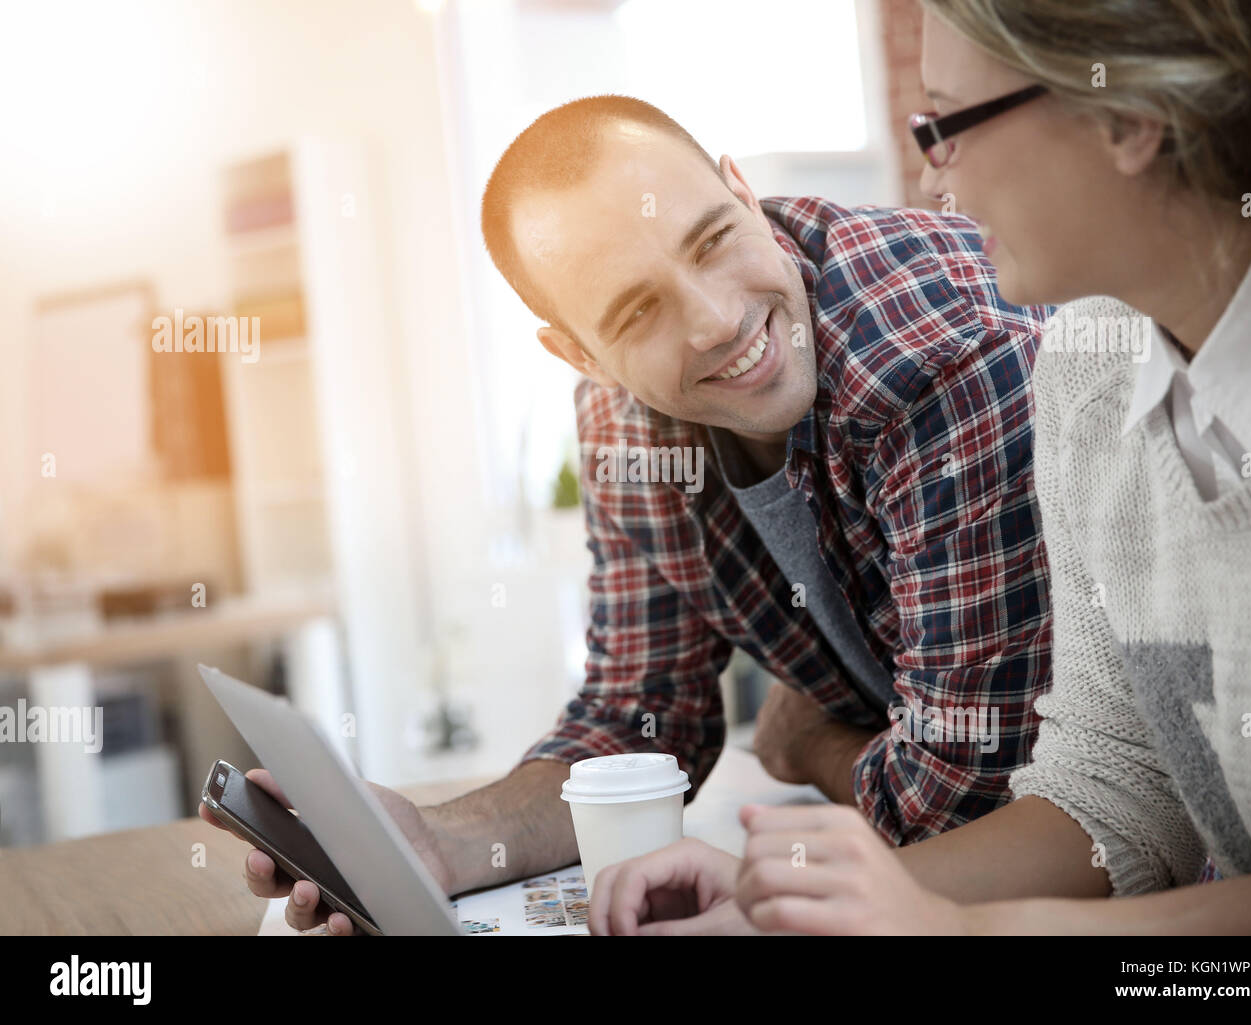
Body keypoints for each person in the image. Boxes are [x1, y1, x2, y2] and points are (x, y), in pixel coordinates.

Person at [202, 93, 1056, 934]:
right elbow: (642, 717)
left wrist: (815, 746)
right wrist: (443, 839)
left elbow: (970, 806)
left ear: (741, 190)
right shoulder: (625, 427)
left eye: (714, 239)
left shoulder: (941, 356)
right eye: (638, 309)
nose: (718, 320)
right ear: (581, 353)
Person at [587, 0, 1251, 935]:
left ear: (1126, 118)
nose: (930, 177)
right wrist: (775, 900)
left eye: (945, 125)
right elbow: (1113, 788)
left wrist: (965, 931)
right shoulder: (1088, 371)